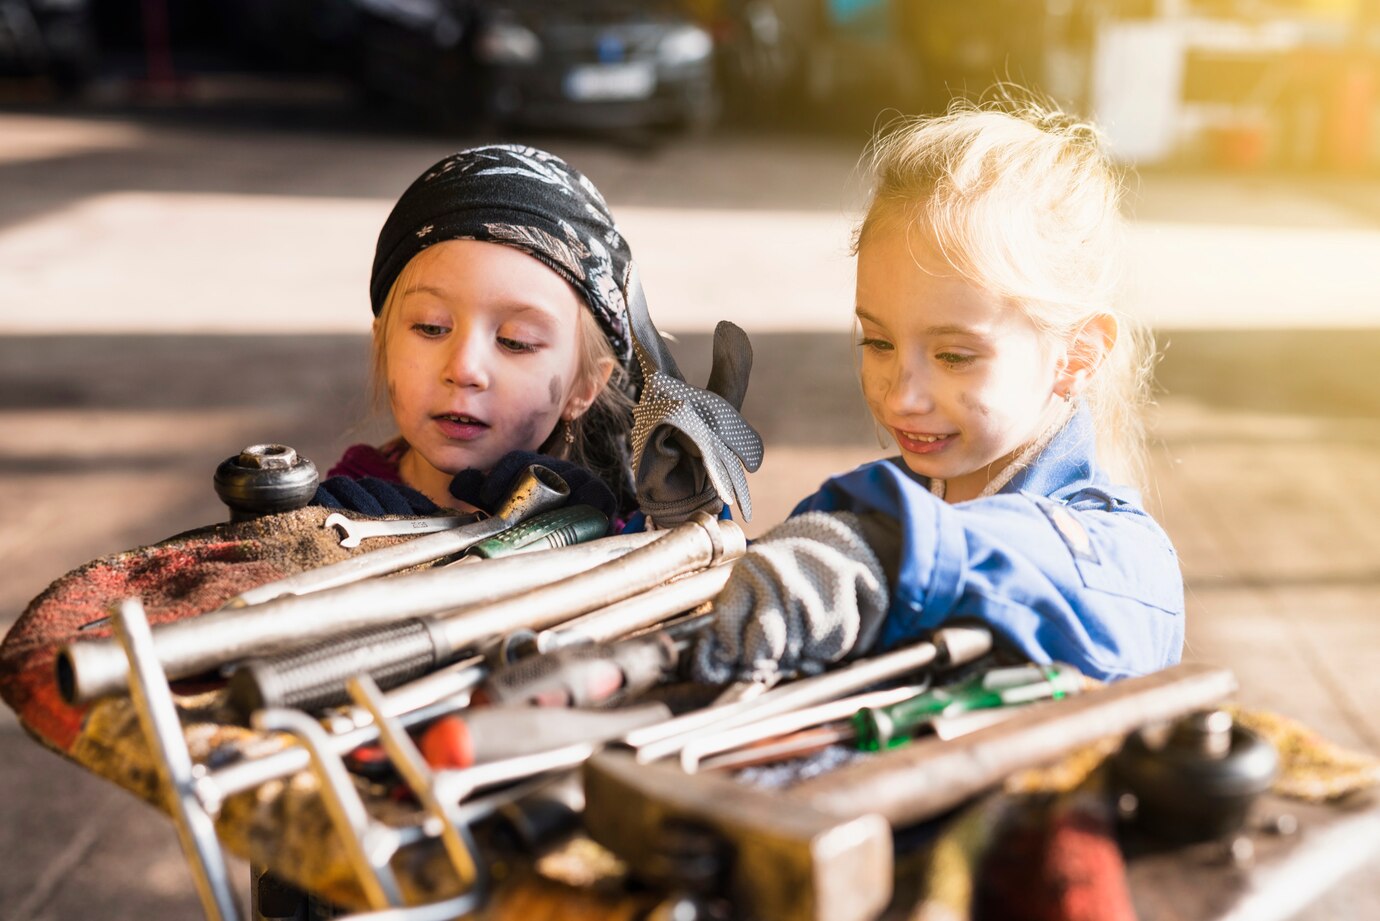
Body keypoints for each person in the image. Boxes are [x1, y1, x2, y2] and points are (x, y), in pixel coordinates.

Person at [694, 102, 1184, 684]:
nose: (902, 398)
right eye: (878, 342)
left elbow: (1074, 580)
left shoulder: (1125, 561)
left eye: (954, 355)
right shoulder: (853, 516)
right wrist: (699, 532)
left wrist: (889, 548)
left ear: (1076, 355)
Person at [312, 143, 762, 532]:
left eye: (515, 341)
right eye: (431, 327)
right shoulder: (331, 514)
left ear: (585, 388)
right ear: (383, 342)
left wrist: (682, 530)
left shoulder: (615, 533)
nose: (464, 369)